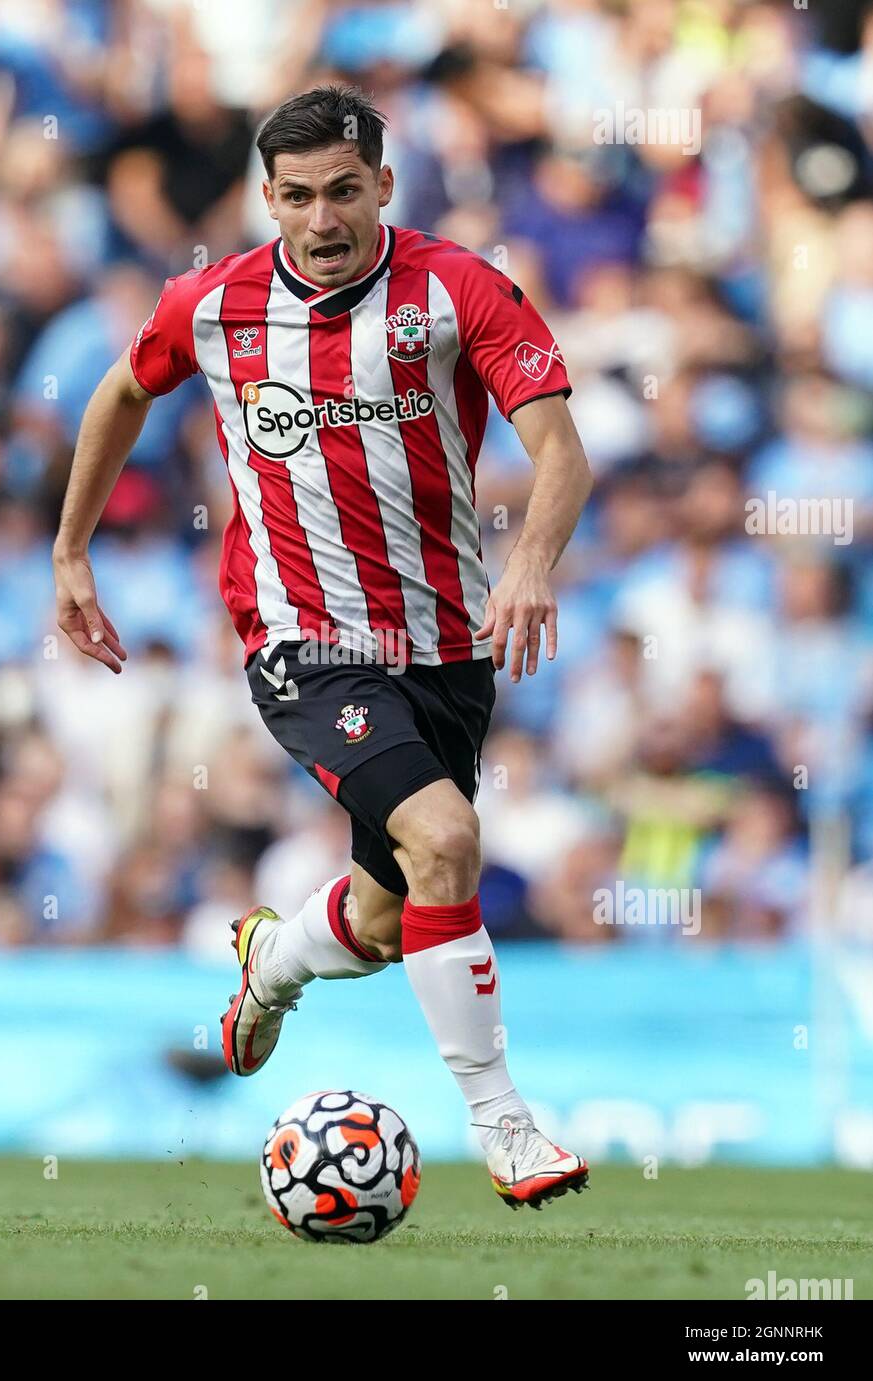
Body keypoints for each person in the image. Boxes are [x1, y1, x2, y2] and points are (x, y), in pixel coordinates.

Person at [52, 85, 594, 1212]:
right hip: (301, 636)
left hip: (446, 640)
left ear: (384, 186)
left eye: (344, 191)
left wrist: (533, 562)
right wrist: (70, 552)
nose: (321, 218)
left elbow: (563, 454)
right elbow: (118, 392)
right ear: (269, 199)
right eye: (296, 197)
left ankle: (274, 964)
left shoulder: (458, 288)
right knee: (447, 837)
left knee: (396, 910)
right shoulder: (214, 304)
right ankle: (505, 1127)